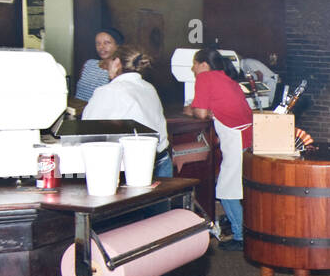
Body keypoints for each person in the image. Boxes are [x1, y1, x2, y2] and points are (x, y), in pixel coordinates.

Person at [185, 48, 253, 251]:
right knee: (236, 188)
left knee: (226, 190)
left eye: (194, 64)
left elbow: (200, 114)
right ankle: (244, 231)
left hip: (235, 140)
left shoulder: (205, 78)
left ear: (204, 64)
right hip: (246, 138)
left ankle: (241, 237)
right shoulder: (228, 79)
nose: (192, 68)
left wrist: (189, 109)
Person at [82, 44, 172, 177]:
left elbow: (87, 130)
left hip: (133, 167)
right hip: (161, 161)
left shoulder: (108, 91)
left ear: (117, 62)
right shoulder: (148, 87)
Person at [75, 27, 124, 103]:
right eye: (98, 43)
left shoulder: (121, 70)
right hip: (76, 111)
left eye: (107, 43)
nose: (101, 47)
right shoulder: (89, 64)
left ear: (118, 45)